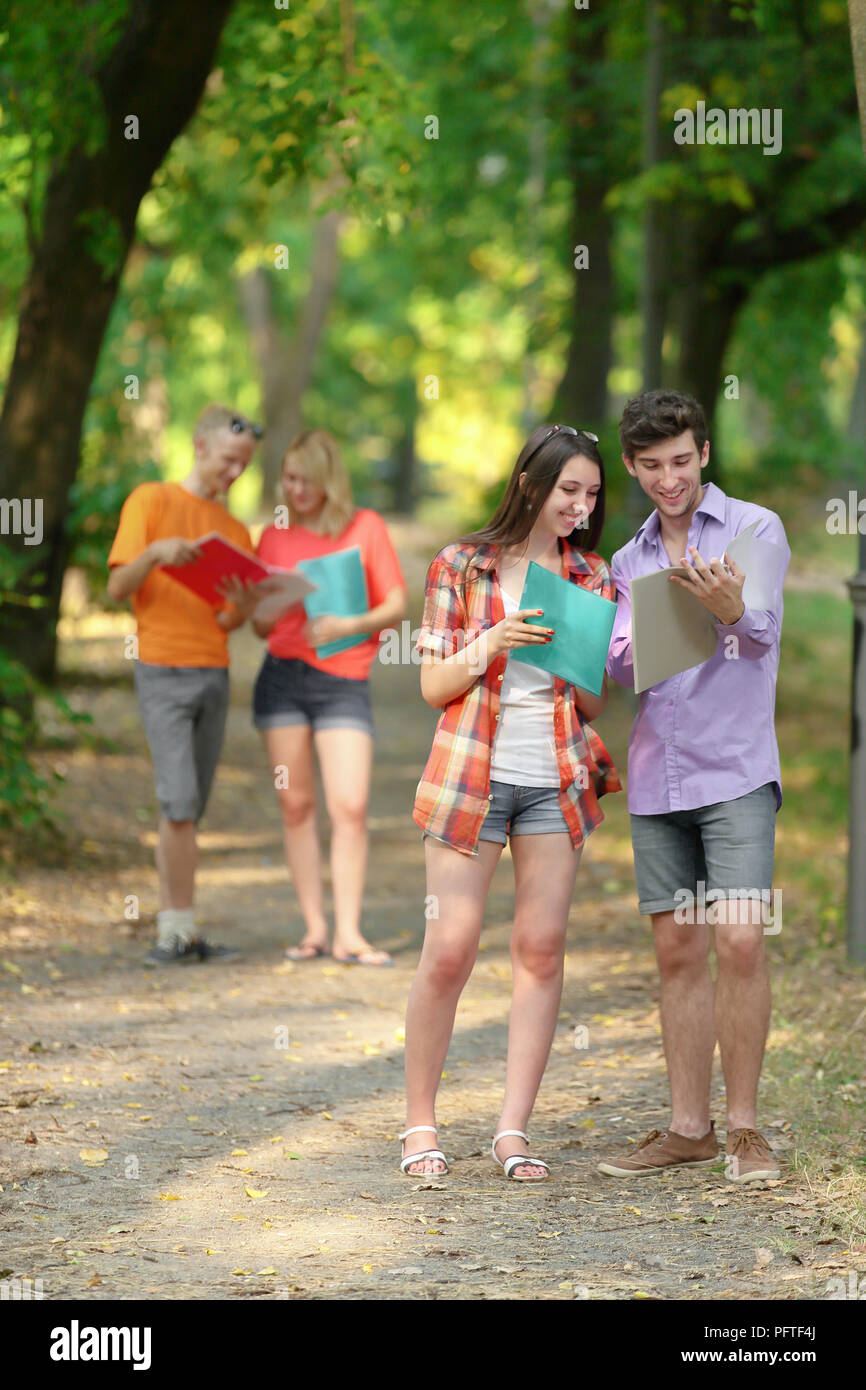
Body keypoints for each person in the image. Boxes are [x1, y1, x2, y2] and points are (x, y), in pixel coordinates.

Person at [401, 424, 621, 1181]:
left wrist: (579, 653)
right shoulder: (461, 565)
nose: (582, 507)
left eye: (592, 495)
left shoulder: (591, 577)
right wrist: (492, 641)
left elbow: (591, 706)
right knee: (451, 950)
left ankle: (512, 1132)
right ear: (531, 484)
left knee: (541, 951)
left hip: (552, 780)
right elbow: (433, 687)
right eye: (569, 491)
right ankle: (420, 1125)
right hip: (471, 777)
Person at [600, 388, 791, 1184]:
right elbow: (618, 666)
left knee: (741, 939)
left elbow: (764, 632)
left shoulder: (756, 530)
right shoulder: (628, 558)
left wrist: (731, 610)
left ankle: (746, 1129)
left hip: (737, 768)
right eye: (651, 466)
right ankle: (690, 1127)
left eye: (681, 461)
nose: (668, 479)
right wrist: (644, 642)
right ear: (632, 466)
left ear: (704, 453)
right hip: (658, 774)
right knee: (678, 949)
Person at [108, 405, 271, 965]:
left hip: (214, 671)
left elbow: (228, 619)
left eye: (244, 466)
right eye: (229, 460)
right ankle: (173, 932)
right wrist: (154, 554)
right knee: (177, 802)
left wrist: (246, 605)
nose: (235, 474)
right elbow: (116, 587)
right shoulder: (151, 500)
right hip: (161, 668)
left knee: (191, 805)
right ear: (200, 446)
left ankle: (182, 928)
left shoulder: (234, 530)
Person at [251, 429, 408, 966]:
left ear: (328, 479)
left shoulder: (364, 527)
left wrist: (350, 622)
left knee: (351, 806)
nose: (295, 489)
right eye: (288, 479)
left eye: (305, 479)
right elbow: (256, 623)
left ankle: (350, 932)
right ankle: (315, 929)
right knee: (295, 806)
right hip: (282, 679)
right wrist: (273, 605)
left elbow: (395, 604)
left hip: (343, 677)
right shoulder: (273, 535)